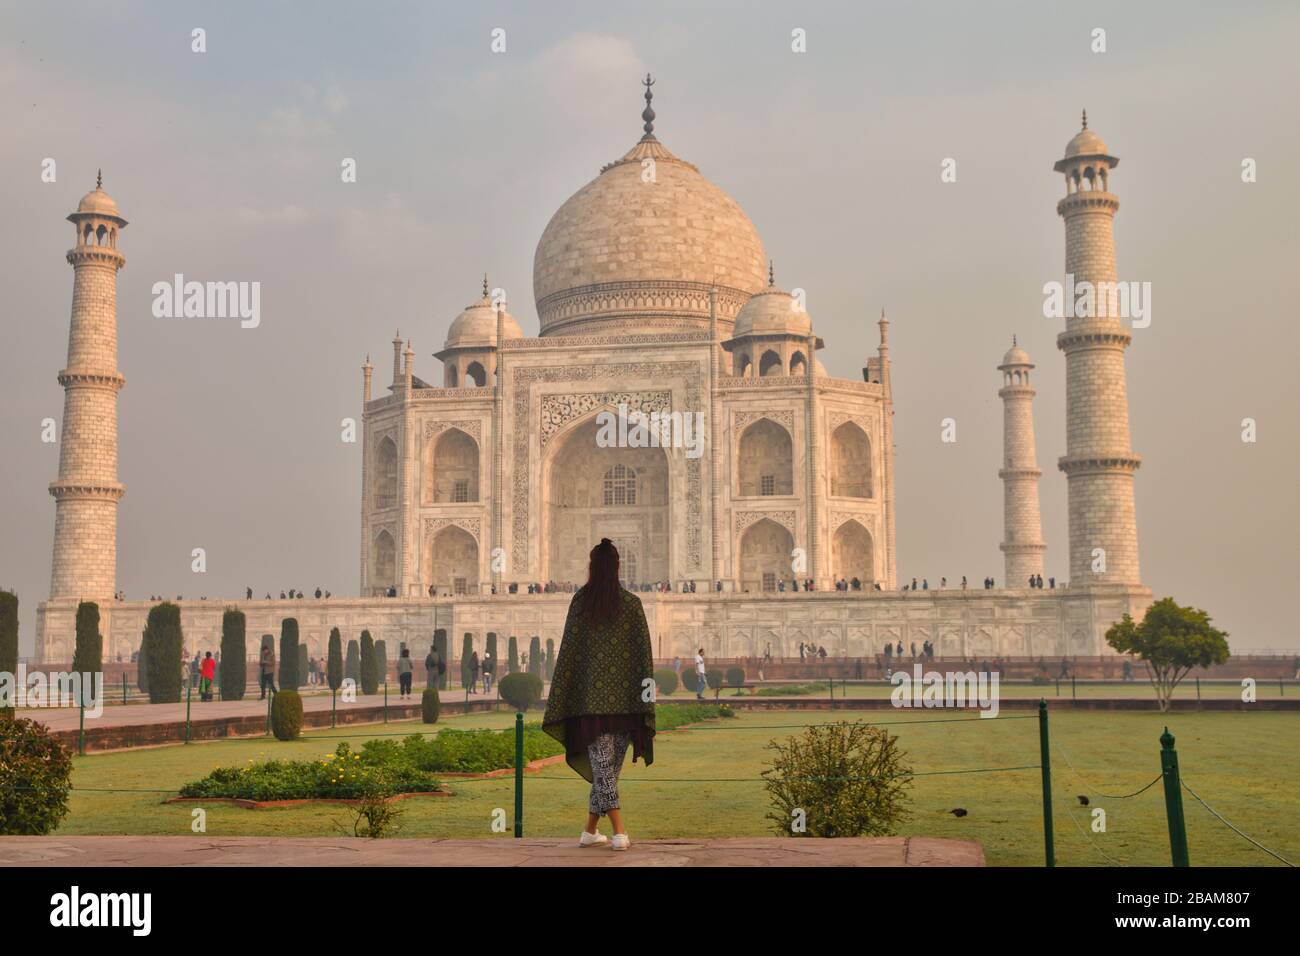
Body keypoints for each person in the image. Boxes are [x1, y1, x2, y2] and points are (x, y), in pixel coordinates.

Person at [542, 538, 655, 852]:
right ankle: (619, 831)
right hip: (624, 704)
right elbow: (643, 658)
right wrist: (646, 700)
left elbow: (569, 655)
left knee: (607, 771)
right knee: (606, 770)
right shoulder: (631, 604)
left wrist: (566, 694)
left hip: (589, 706)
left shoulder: (581, 602)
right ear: (618, 567)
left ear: (592, 567)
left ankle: (590, 830)